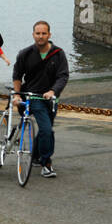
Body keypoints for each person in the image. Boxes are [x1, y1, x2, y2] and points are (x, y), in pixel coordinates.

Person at [11, 21, 69, 178]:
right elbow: (17, 75)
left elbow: (63, 76)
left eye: (44, 33)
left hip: (51, 99)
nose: (41, 36)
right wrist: (17, 94)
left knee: (46, 129)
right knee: (46, 129)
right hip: (32, 97)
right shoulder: (25, 54)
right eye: (38, 33)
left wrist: (53, 91)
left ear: (49, 35)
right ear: (33, 35)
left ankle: (36, 156)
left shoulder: (58, 54)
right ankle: (46, 163)